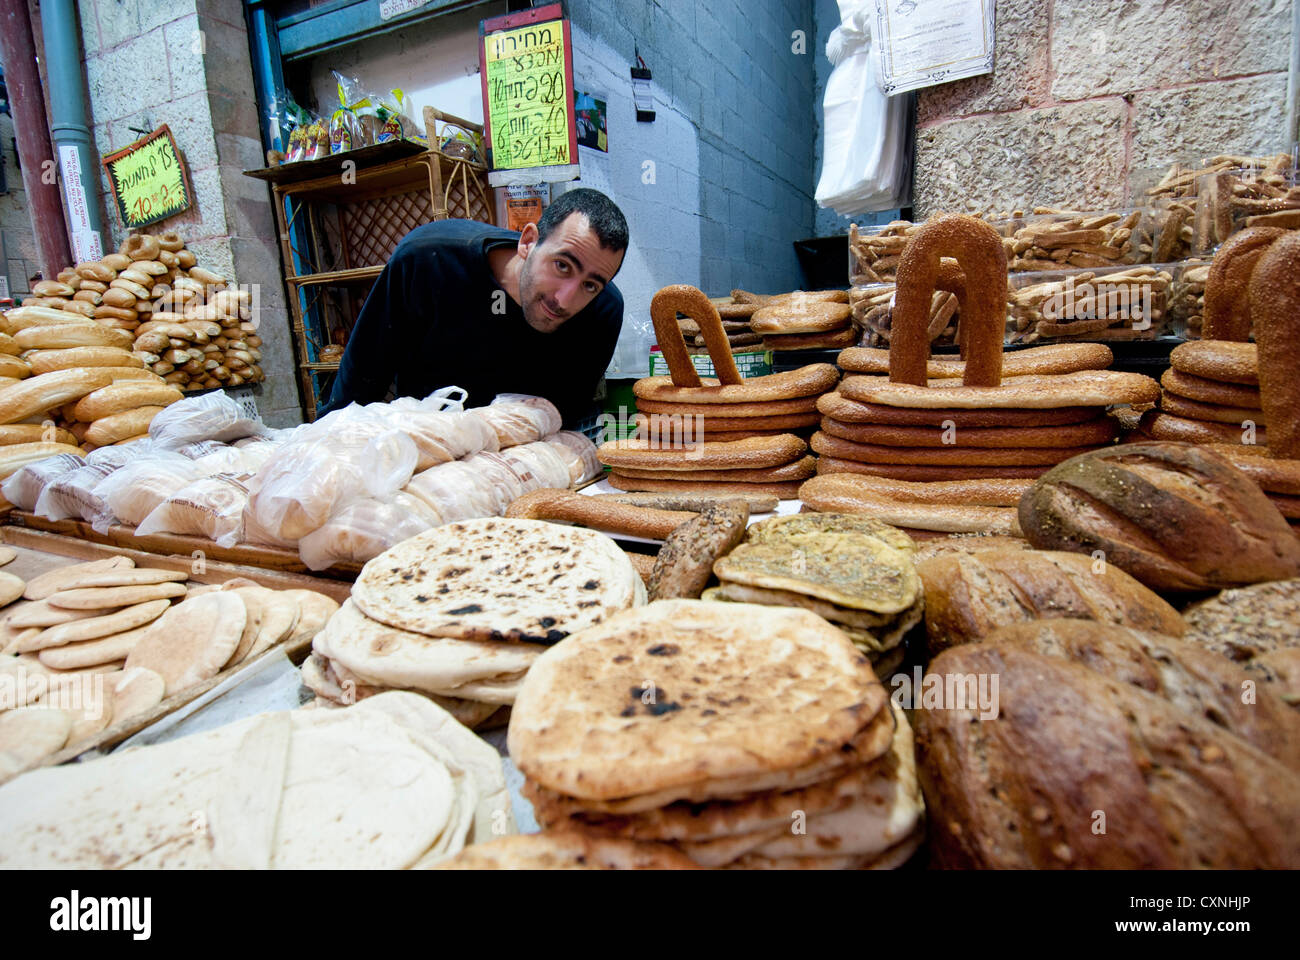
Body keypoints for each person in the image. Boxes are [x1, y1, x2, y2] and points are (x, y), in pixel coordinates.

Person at [319, 187, 628, 425]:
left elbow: (563, 419)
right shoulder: (427, 261)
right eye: (562, 265)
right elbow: (354, 397)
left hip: (523, 462)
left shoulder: (603, 310)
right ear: (528, 241)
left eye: (590, 285)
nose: (564, 299)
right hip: (425, 452)